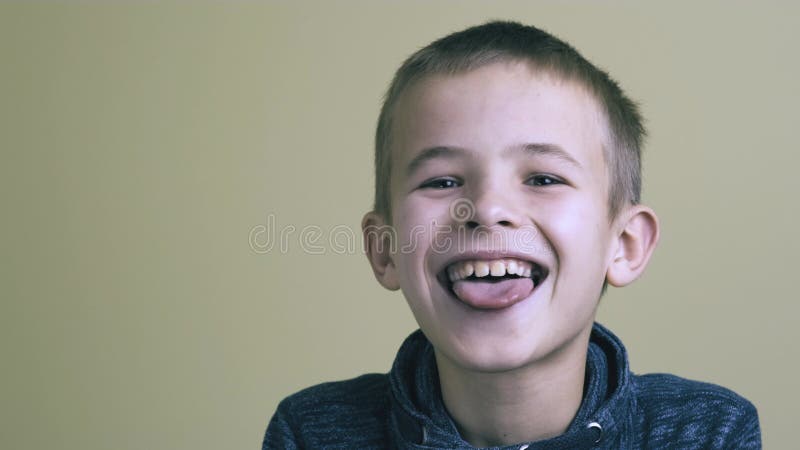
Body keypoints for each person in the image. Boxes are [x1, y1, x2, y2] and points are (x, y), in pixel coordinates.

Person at [263, 21, 761, 449]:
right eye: (442, 182)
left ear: (624, 245)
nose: (487, 209)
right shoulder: (311, 433)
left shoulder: (708, 432)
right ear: (385, 250)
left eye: (542, 179)